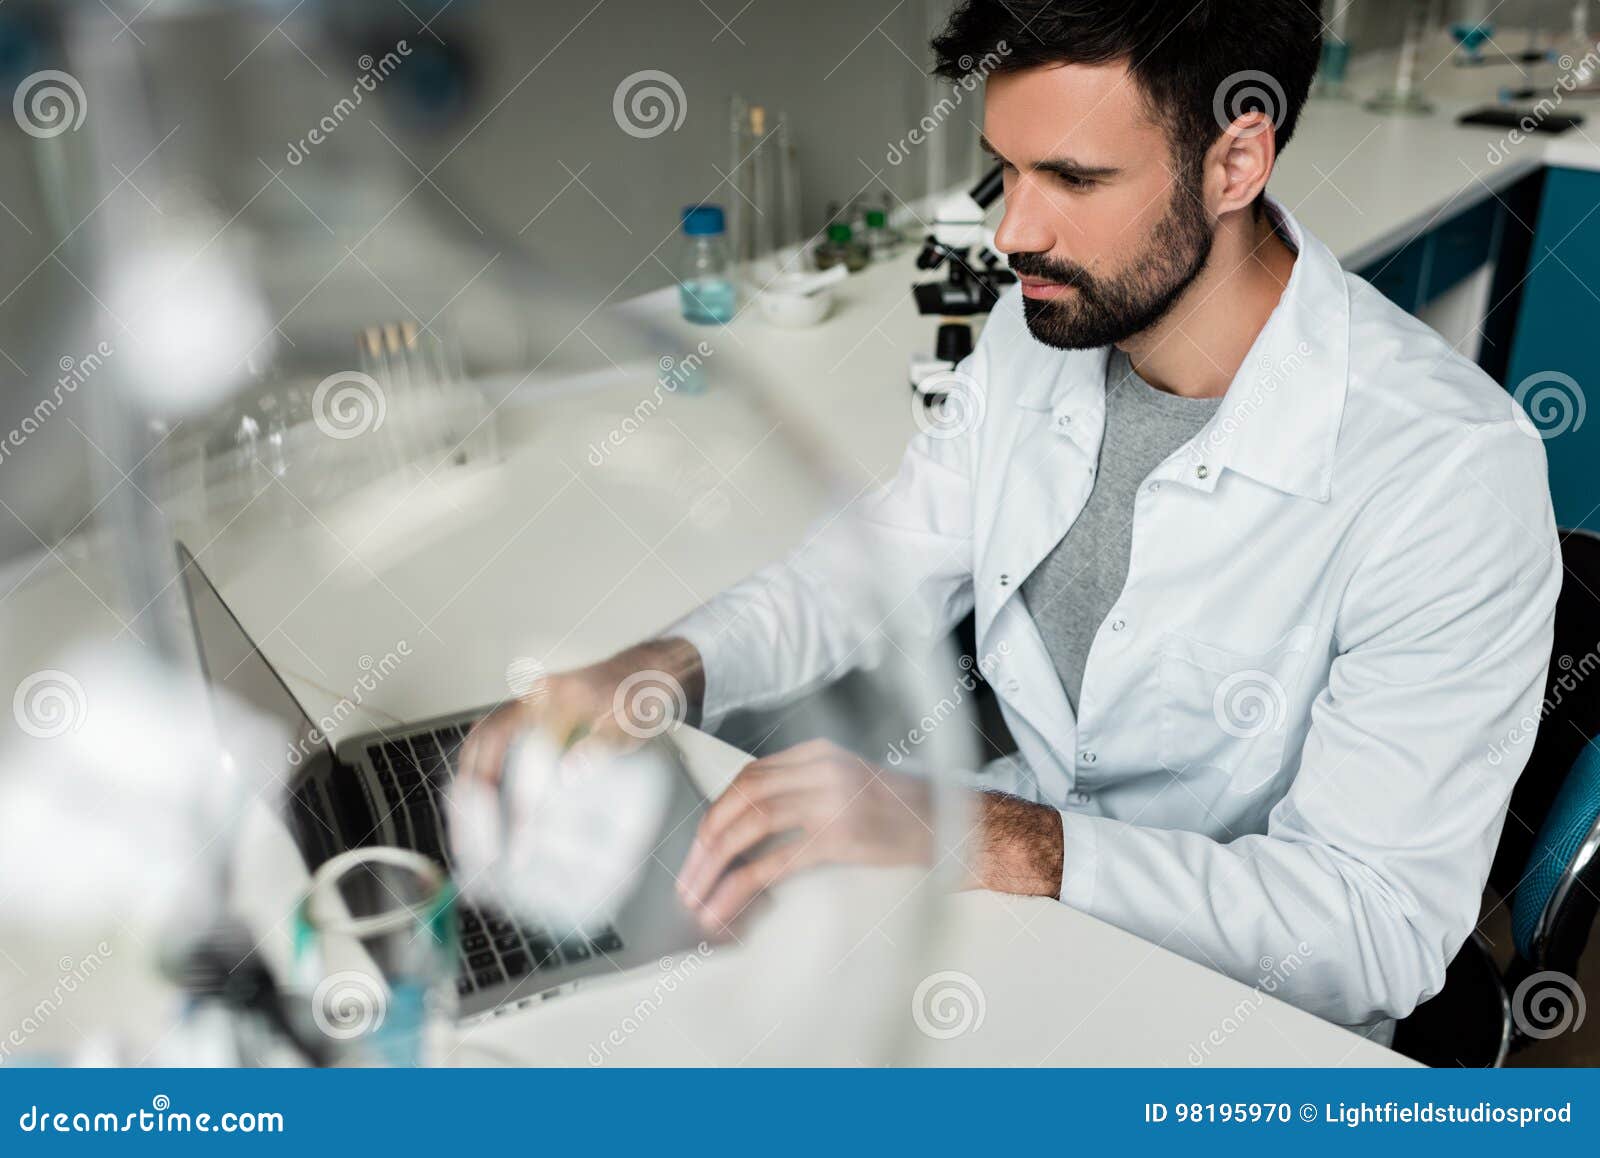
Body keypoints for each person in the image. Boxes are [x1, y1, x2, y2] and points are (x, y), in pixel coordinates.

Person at [462, 0, 1559, 1035]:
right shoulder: (1043, 320)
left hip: (1228, 1020)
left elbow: (1372, 928)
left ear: (1236, 159)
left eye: (1073, 178)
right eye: (1007, 172)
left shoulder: (1446, 476)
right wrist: (661, 667)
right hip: (1003, 912)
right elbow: (876, 565)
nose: (1011, 230)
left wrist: (1010, 842)